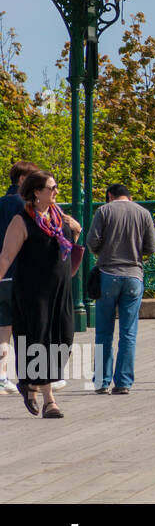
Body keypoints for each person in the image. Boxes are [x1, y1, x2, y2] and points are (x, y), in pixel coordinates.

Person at [0, 171, 80, 417]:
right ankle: (49, 401)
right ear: (36, 192)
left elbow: (68, 251)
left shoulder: (61, 219)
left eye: (56, 187)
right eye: (51, 188)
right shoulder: (22, 221)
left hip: (60, 290)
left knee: (65, 340)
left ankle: (29, 383)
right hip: (33, 293)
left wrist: (75, 232)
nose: (56, 191)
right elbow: (6, 257)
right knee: (40, 343)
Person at [87, 183, 155, 395]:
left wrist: (103, 251)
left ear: (110, 195)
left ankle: (101, 381)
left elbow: (92, 242)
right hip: (134, 276)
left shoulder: (104, 211)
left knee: (104, 332)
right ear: (129, 196)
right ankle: (124, 382)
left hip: (108, 274)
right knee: (128, 333)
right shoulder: (143, 213)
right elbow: (151, 247)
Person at [0, 160, 40, 395]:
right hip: (21, 275)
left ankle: (2, 375)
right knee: (28, 328)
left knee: (3, 330)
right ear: (24, 180)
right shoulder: (26, 206)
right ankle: (34, 376)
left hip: (1, 276)